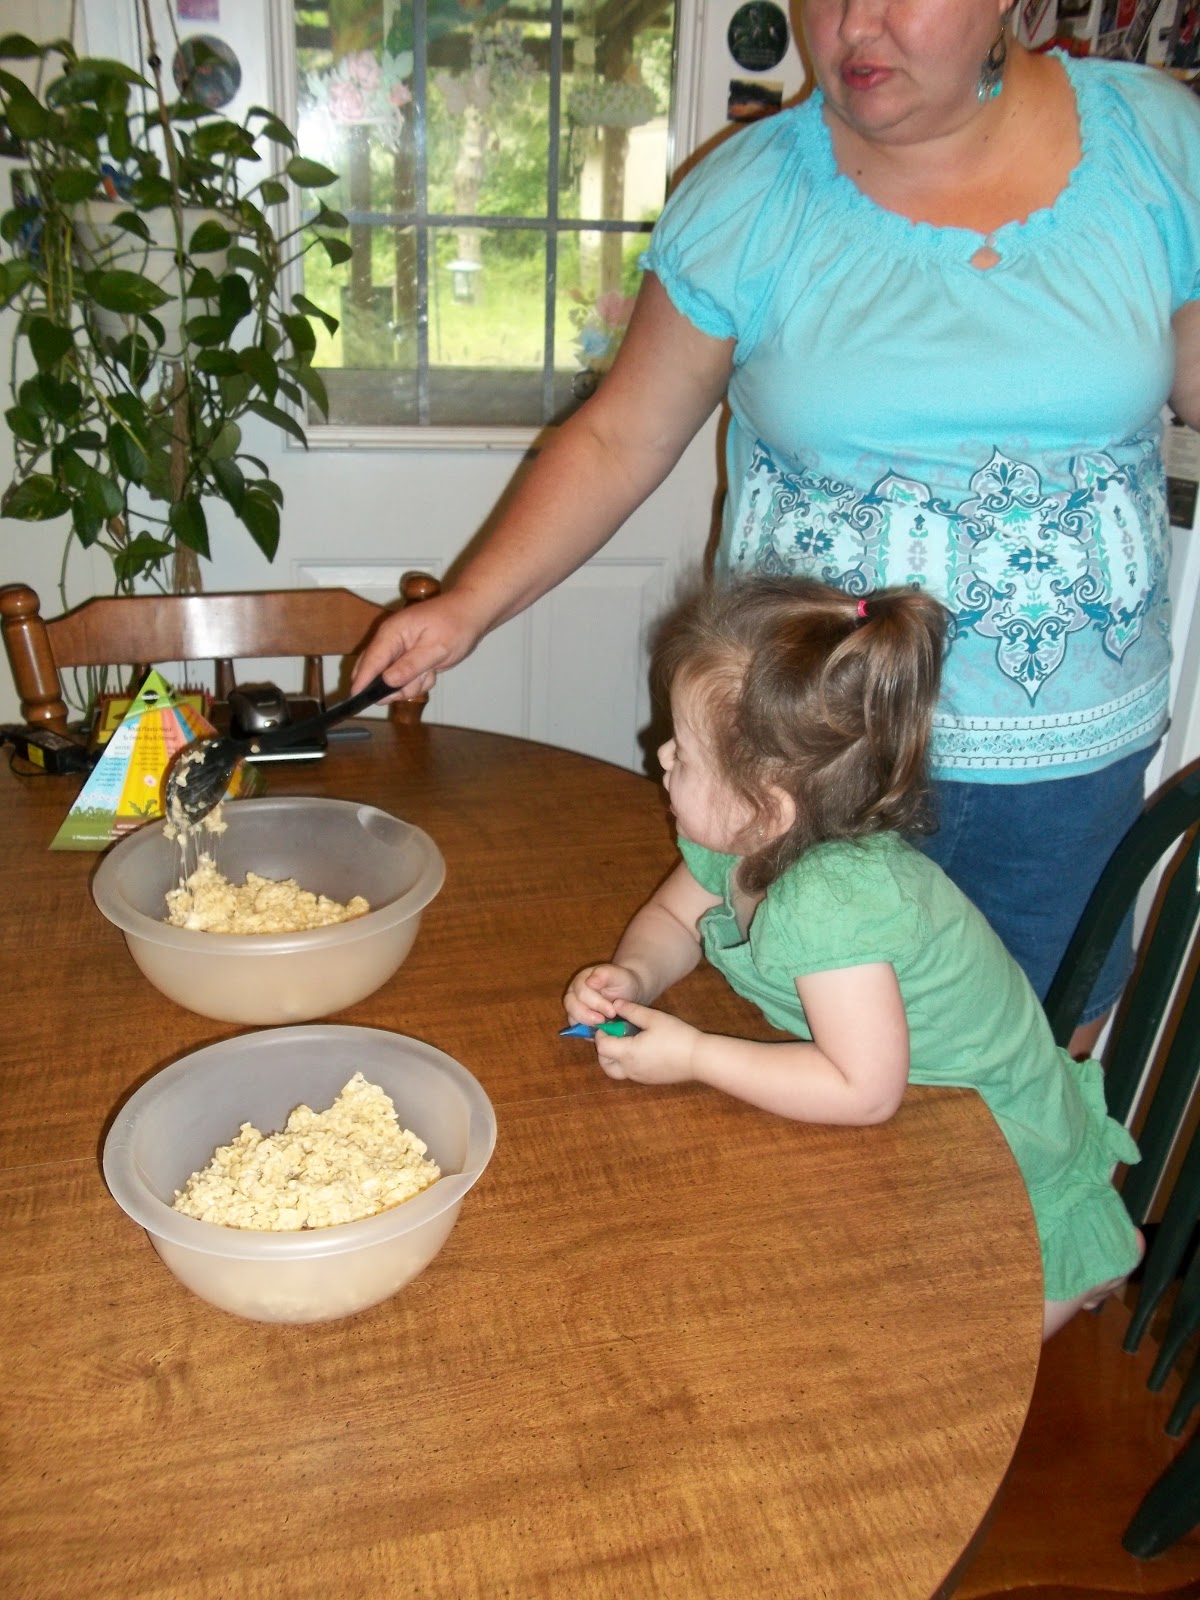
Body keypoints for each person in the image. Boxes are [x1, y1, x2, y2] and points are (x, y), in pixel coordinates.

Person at [354, 2, 1200, 1046]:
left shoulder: (1158, 151)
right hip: (803, 756)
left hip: (1061, 771)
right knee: (800, 1076)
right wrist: (468, 606)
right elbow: (622, 436)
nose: (854, 27)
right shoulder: (749, 194)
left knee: (1022, 1083)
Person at [563, 577, 1143, 1341]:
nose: (661, 753)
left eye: (687, 752)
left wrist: (697, 1056)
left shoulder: (830, 900)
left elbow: (863, 1090)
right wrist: (635, 974)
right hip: (914, 1100)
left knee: (968, 1346)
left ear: (768, 806)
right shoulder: (738, 837)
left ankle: (1102, 1258)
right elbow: (677, 913)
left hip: (989, 1133)